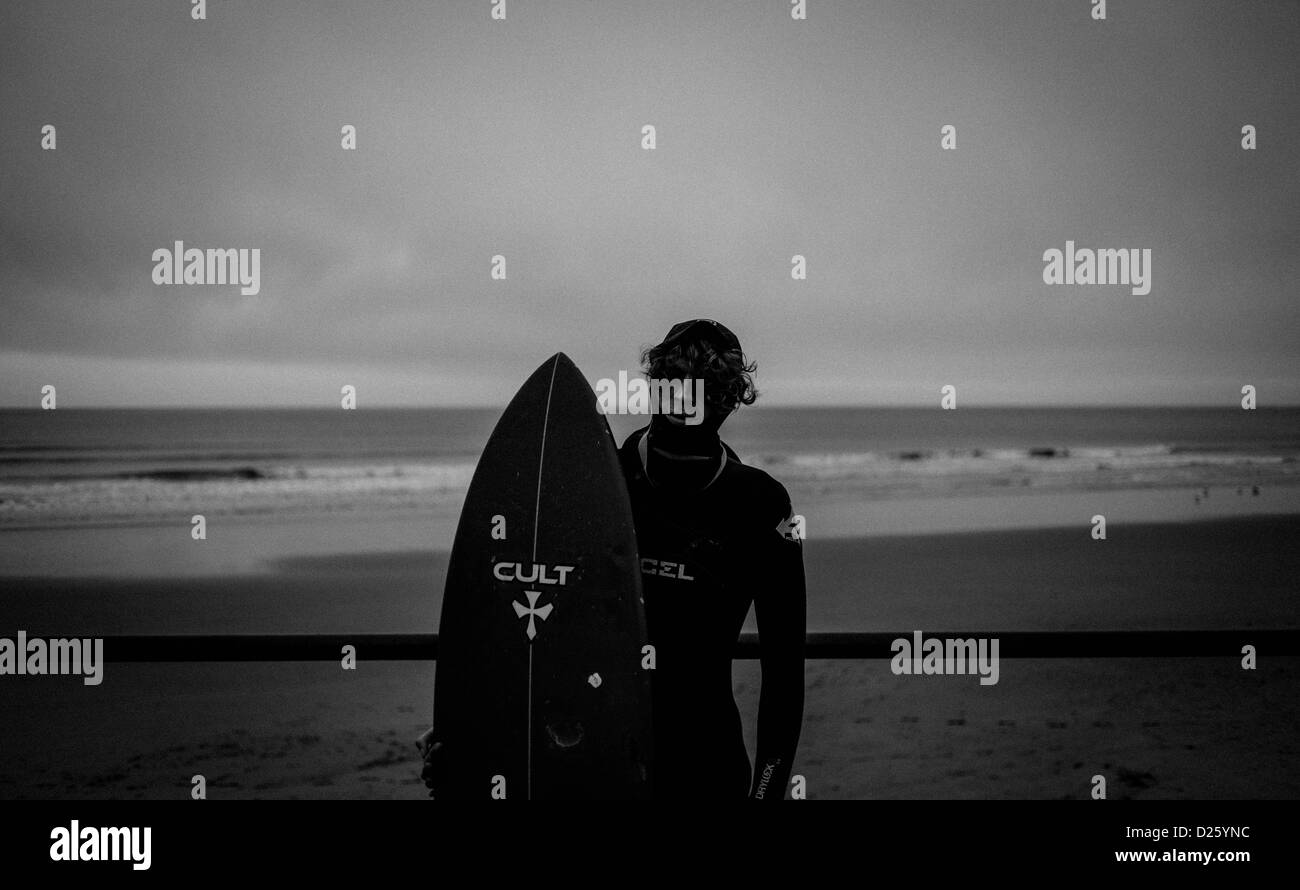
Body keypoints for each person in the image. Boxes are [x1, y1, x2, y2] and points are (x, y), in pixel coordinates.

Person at [418, 319, 806, 799]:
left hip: (704, 769)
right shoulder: (597, 489)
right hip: (592, 761)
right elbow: (520, 628)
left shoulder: (759, 507)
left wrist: (766, 794)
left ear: (729, 400)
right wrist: (464, 738)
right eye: (674, 387)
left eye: (702, 391)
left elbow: (784, 673)